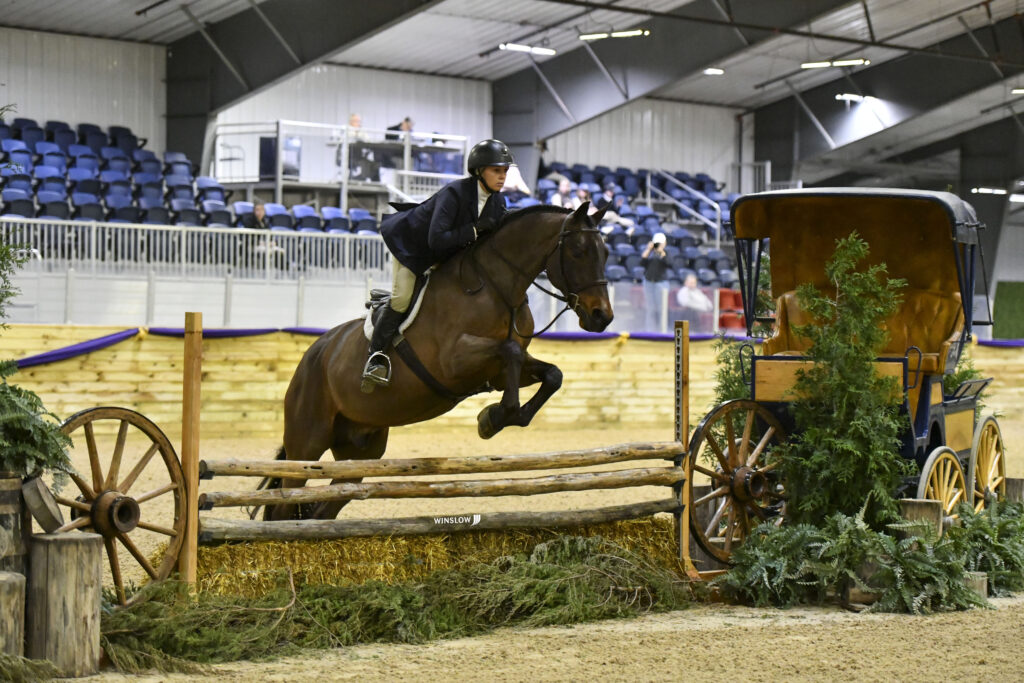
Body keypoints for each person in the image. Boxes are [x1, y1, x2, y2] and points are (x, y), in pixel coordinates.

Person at [361, 139, 514, 392]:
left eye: (505, 171)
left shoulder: (497, 203)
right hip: (414, 248)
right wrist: (474, 230)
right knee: (402, 300)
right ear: (479, 171)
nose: (502, 177)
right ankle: (375, 356)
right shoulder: (454, 194)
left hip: (445, 256)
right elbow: (436, 240)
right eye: (496, 170)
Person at [641, 233, 672, 331]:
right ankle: (649, 330)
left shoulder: (666, 253)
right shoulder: (650, 253)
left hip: (661, 283)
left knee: (661, 308)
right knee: (650, 308)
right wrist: (649, 249)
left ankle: (663, 329)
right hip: (649, 282)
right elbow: (642, 262)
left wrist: (661, 252)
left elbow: (669, 264)